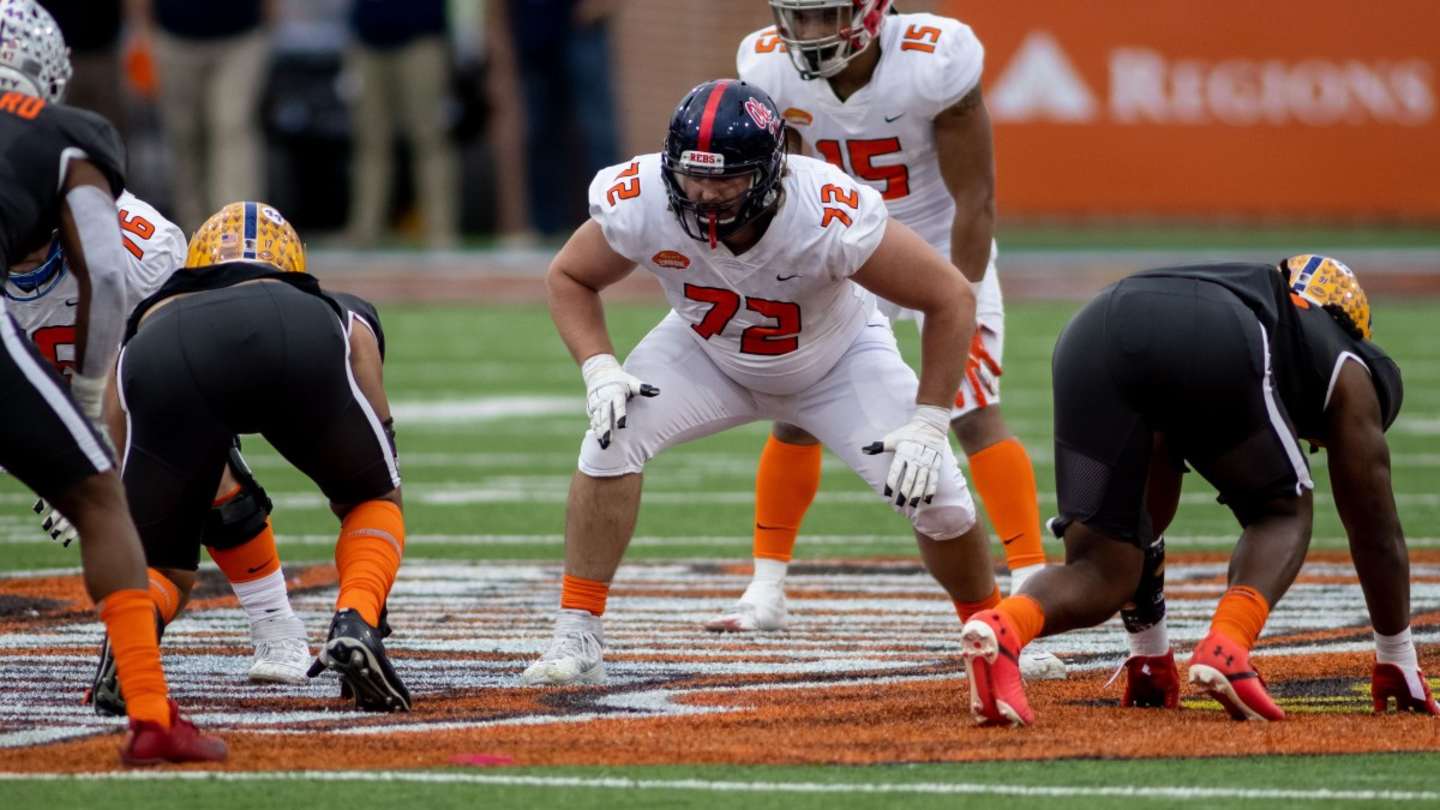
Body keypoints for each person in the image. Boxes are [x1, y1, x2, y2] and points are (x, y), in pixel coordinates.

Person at [521, 79, 999, 686]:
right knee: (610, 437)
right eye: (693, 177)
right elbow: (569, 275)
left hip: (839, 361)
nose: (705, 194)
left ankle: (993, 632)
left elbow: (951, 298)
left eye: (727, 180)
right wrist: (599, 368)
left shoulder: (826, 212)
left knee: (938, 498)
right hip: (706, 352)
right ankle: (577, 633)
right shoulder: (642, 196)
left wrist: (930, 421)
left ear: (772, 171)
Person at [723, 0, 1063, 679]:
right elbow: (782, 188)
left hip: (938, 241)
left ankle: (1029, 584)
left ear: (871, 12)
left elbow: (977, 201)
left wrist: (957, 301)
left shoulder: (934, 60)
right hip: (841, 240)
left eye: (825, 15)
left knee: (971, 406)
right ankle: (765, 587)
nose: (809, 33)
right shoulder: (767, 64)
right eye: (798, 15)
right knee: (797, 407)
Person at [962, 256, 1434, 726]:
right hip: (1212, 332)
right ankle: (1227, 645)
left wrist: (1151, 654)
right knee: (1281, 511)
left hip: (1090, 333)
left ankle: (1004, 628)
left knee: (1101, 567)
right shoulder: (1348, 361)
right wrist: (1397, 656)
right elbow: (1376, 530)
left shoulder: (1249, 304)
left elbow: (1149, 514)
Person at [0, 0, 224, 763]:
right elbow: (103, 270)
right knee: (99, 495)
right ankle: (151, 718)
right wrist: (88, 411)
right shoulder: (64, 134)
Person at [99, 201, 411, 712]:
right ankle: (355, 619)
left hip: (166, 347)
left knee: (164, 564)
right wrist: (375, 584)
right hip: (294, 328)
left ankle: (134, 636)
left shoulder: (150, 313)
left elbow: (117, 410)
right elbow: (374, 415)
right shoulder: (329, 302)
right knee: (369, 499)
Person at [10, 191, 314, 694]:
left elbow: (185, 366)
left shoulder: (139, 249)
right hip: (21, 393)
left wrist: (90, 472)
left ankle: (275, 626)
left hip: (130, 387)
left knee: (207, 466)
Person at [123, 0, 273, 232]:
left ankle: (238, 230)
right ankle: (195, 231)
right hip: (174, 37)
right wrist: (141, 31)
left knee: (232, 126)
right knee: (184, 136)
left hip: (241, 36)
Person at [344, 0, 458, 249]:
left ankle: (441, 230)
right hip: (368, 36)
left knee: (430, 139)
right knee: (370, 141)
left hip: (421, 35)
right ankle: (365, 229)